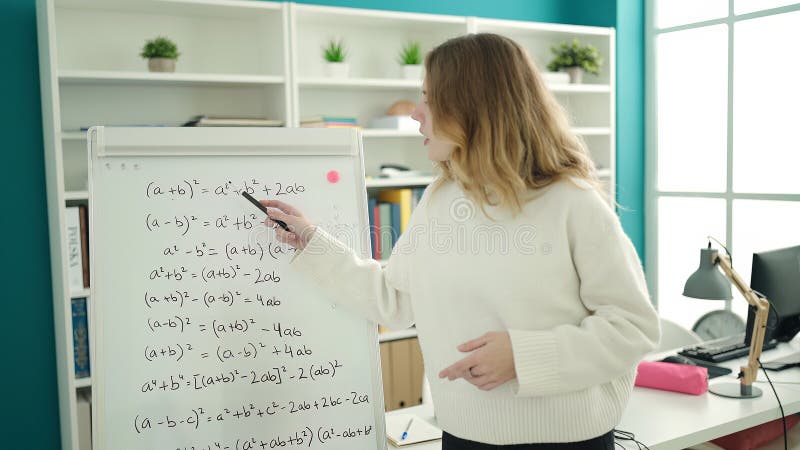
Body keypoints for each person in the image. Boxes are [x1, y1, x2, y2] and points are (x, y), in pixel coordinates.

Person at [259, 33, 660, 450]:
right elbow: (394, 299)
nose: (416, 114)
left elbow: (633, 327)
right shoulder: (441, 198)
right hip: (463, 437)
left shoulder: (571, 202)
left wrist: (523, 358)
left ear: (472, 107)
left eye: (429, 99)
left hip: (566, 441)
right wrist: (312, 242)